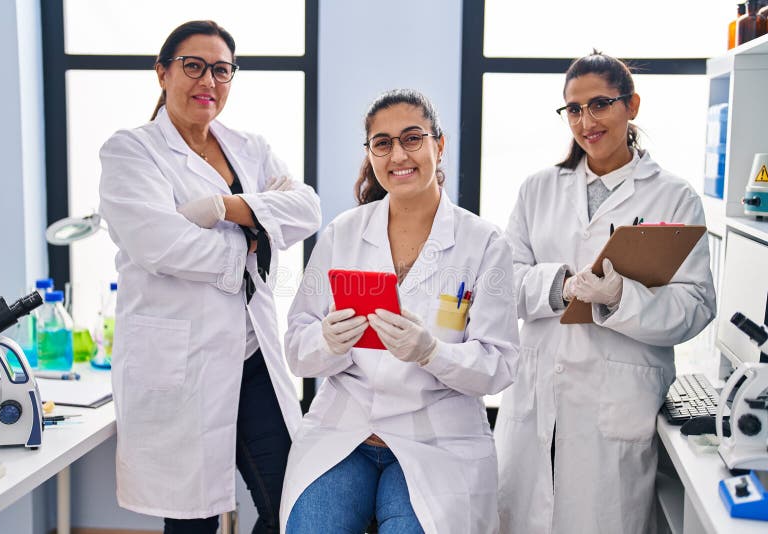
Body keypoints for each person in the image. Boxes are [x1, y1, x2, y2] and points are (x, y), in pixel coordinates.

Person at [98, 20, 321, 534]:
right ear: (162, 73)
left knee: (293, 503)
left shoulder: (249, 147)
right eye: (192, 66)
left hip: (251, 353)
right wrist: (250, 236)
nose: (208, 81)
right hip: (183, 359)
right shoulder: (131, 151)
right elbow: (160, 244)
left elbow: (306, 208)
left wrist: (226, 205)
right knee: (192, 519)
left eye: (221, 70)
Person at [494, 51, 716, 534]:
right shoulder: (538, 189)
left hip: (614, 403)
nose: (585, 121)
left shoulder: (674, 197)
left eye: (599, 104)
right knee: (523, 515)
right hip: (537, 395)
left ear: (631, 105)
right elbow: (503, 282)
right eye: (573, 109)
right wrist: (561, 284)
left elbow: (697, 306)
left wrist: (620, 297)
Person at [279, 89, 519, 533]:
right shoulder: (342, 234)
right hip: (345, 429)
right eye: (382, 143)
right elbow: (297, 348)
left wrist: (432, 352)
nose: (398, 155)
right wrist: (326, 341)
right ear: (370, 154)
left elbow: (499, 364)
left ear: (438, 144)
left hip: (438, 437)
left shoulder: (484, 243)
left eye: (412, 138)